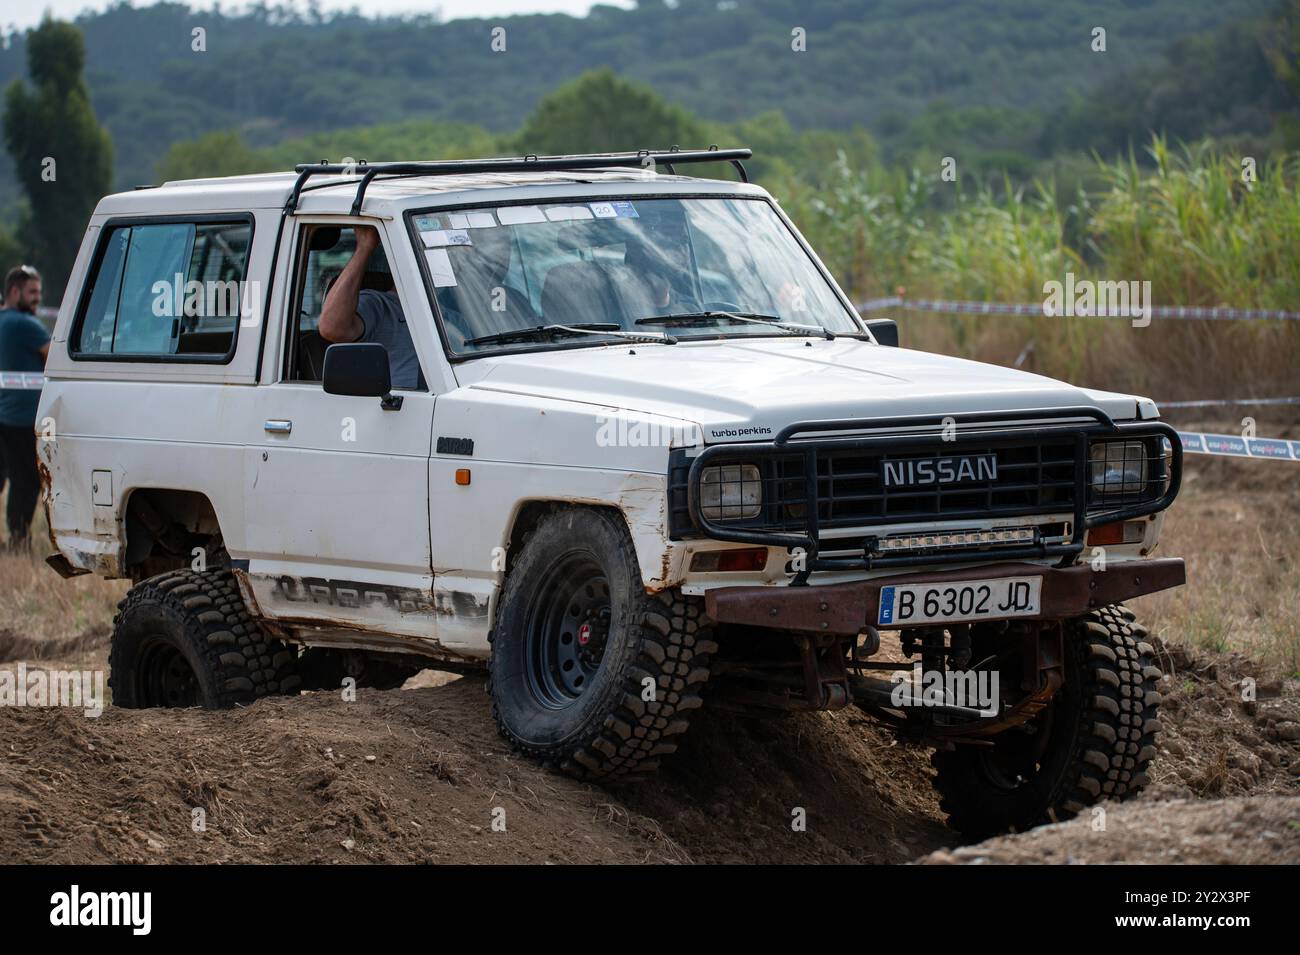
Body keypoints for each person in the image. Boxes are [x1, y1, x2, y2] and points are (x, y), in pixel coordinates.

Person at [318, 227, 421, 389]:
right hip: (396, 405)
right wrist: (365, 247)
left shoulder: (454, 315)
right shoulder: (378, 304)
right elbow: (332, 328)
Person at [0, 265, 50, 548]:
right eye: (32, 292)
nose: (37, 298)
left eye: (39, 292)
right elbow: (53, 357)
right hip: (22, 418)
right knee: (26, 482)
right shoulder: (25, 325)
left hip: (5, 413)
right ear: (14, 291)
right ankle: (19, 540)